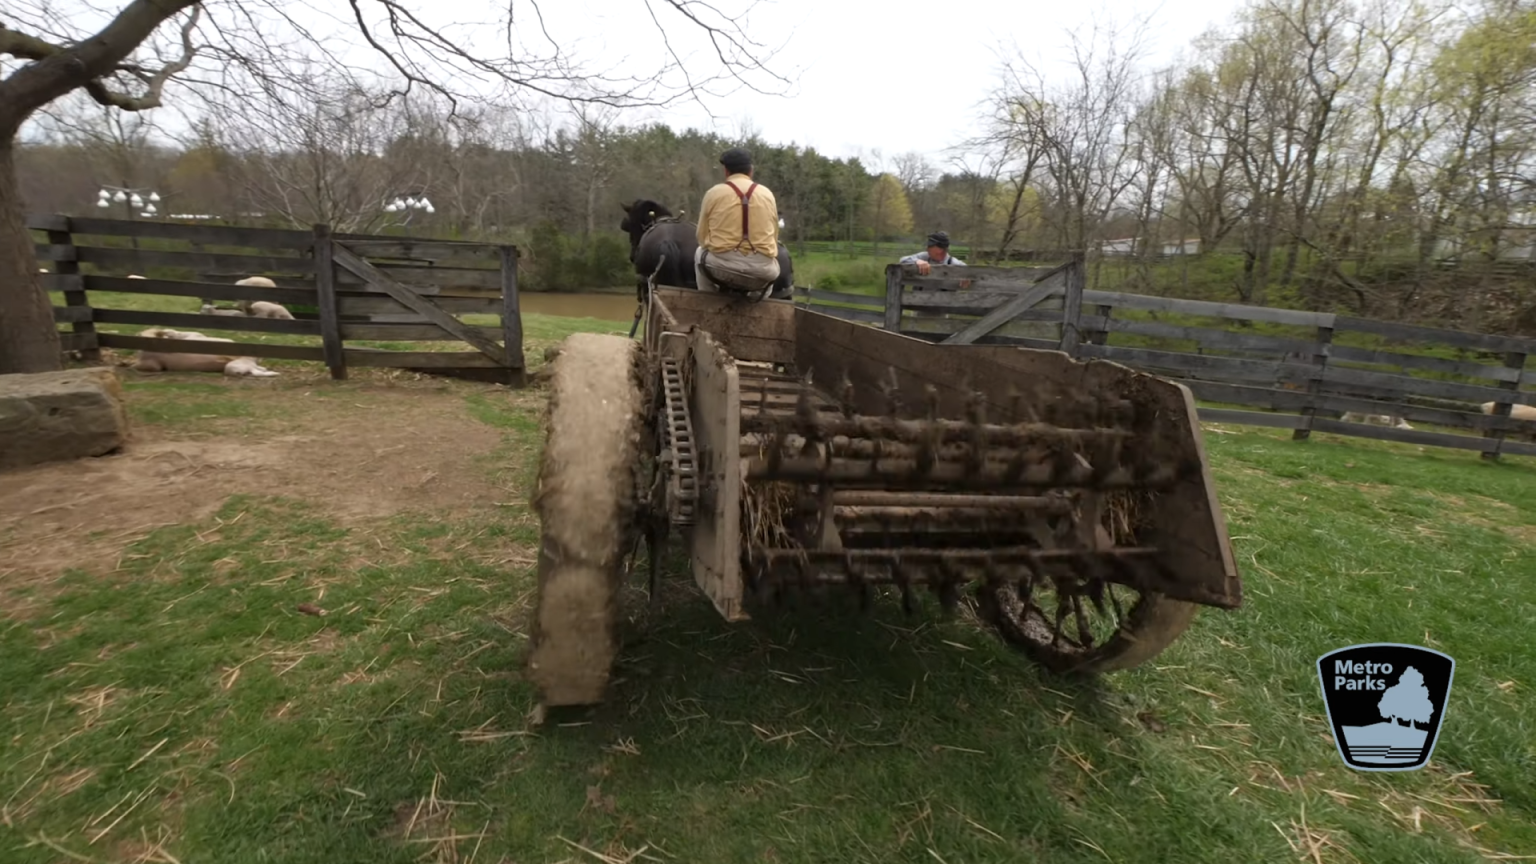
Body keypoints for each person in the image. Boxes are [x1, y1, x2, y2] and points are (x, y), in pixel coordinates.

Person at [695, 147, 781, 295]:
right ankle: (761, 306)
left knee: (699, 252)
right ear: (751, 170)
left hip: (722, 269)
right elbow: (774, 237)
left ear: (726, 171)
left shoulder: (713, 193)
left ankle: (707, 298)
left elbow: (701, 236)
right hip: (762, 272)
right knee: (774, 262)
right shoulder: (768, 194)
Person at [899, 231, 966, 275]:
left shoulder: (953, 263)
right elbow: (902, 260)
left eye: (931, 246)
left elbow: (969, 271)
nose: (927, 249)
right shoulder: (925, 256)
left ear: (940, 249)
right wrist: (917, 261)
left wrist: (966, 277)